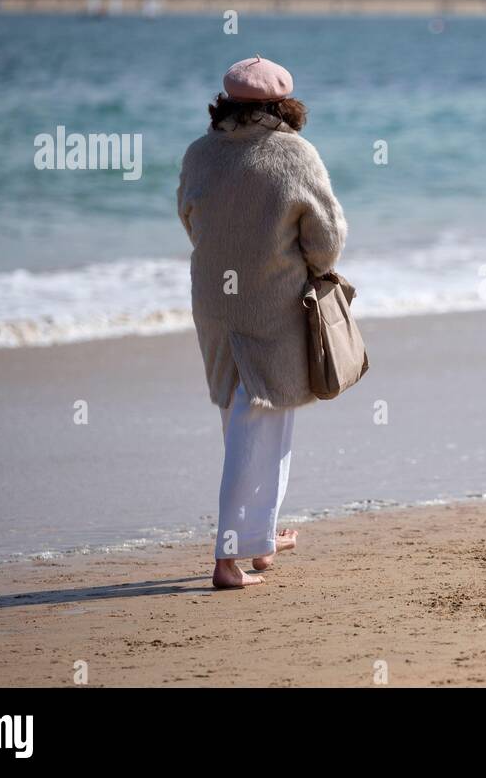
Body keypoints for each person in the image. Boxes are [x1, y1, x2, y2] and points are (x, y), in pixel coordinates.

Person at [176, 56, 347, 589]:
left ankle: (261, 539)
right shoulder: (295, 154)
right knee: (264, 419)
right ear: (283, 105)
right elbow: (327, 238)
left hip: (213, 299)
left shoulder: (201, 152)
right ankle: (228, 557)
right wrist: (316, 272)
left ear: (226, 103)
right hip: (271, 301)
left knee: (243, 413)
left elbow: (189, 216)